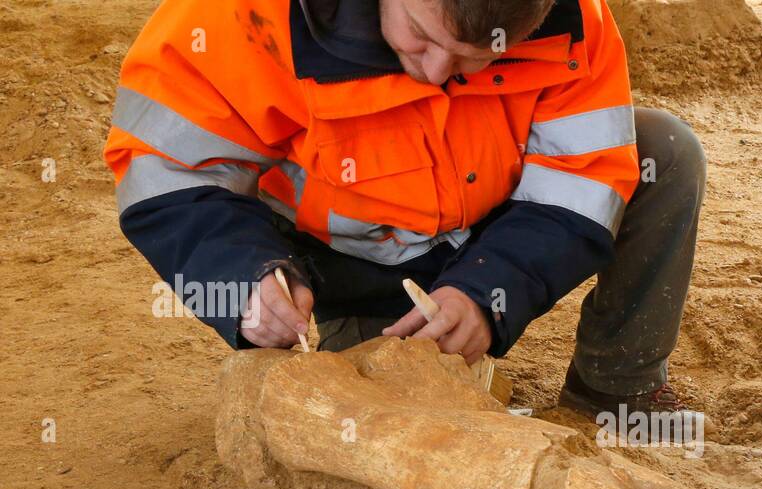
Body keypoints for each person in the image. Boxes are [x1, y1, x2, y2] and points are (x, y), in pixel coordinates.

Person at [105, 0, 706, 419]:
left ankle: (614, 393)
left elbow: (581, 176)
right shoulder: (244, 12)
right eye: (422, 33)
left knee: (663, 152)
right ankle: (363, 335)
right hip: (336, 264)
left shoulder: (574, 20)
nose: (438, 73)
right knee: (378, 422)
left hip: (485, 242)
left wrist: (487, 291)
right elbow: (168, 171)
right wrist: (245, 279)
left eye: (474, 59)